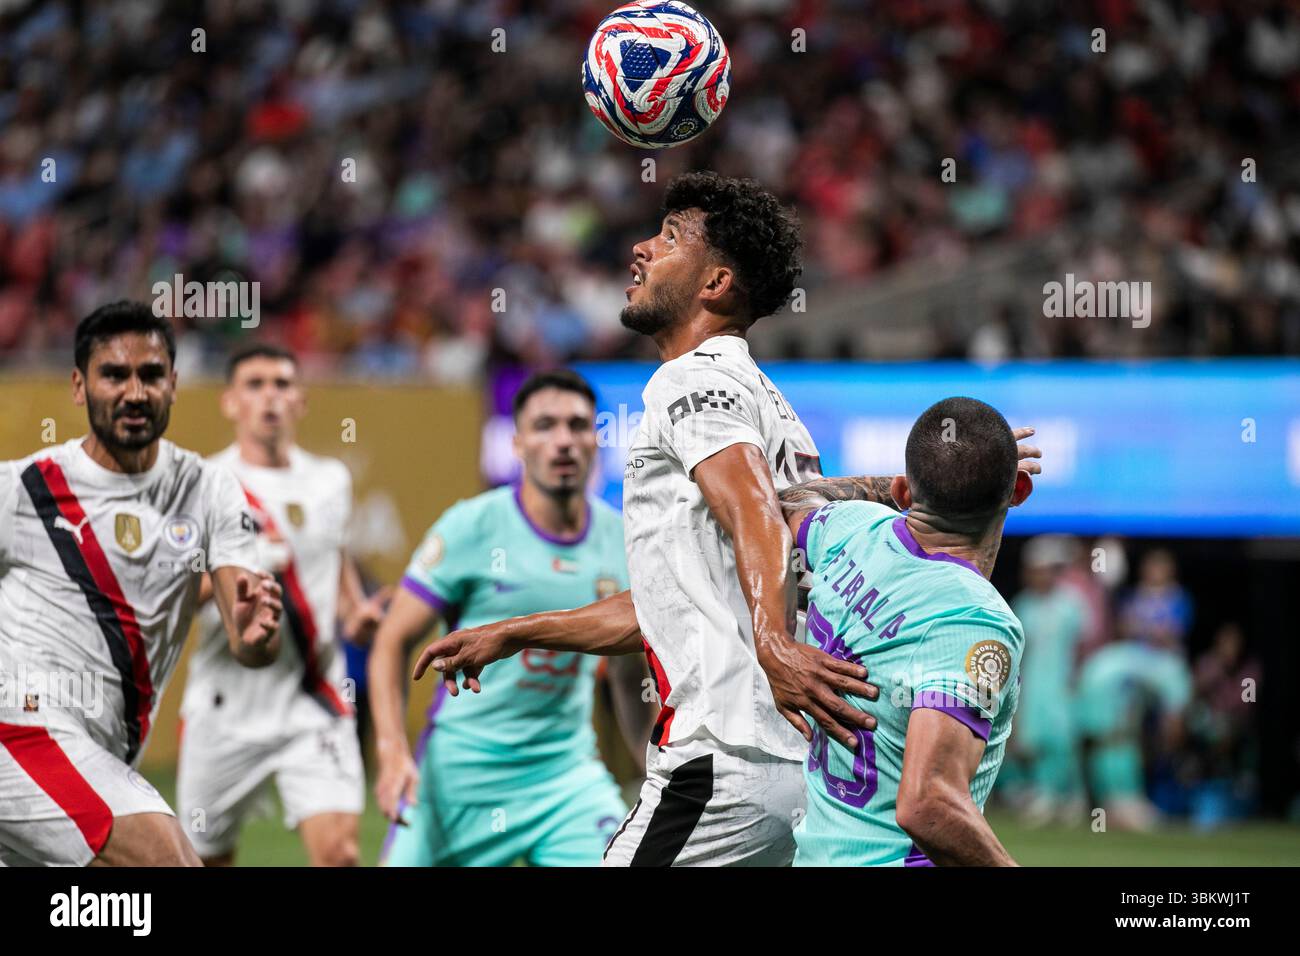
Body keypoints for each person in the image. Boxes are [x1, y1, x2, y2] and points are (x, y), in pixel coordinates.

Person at [415, 172, 1042, 865]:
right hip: (790, 770)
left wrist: (774, 646)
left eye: (670, 236)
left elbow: (755, 514)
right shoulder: (767, 401)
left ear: (715, 283)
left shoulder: (694, 378)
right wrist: (515, 632)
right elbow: (677, 597)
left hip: (725, 757)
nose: (642, 248)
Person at [0, 301, 281, 867]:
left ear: (173, 384)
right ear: (79, 386)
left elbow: (251, 642)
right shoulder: (22, 489)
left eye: (150, 375)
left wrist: (256, 633)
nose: (134, 392)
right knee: (169, 862)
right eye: (114, 375)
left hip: (103, 752)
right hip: (21, 732)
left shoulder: (209, 490)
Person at [370, 369, 653, 866]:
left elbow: (631, 677)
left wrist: (657, 774)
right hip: (461, 780)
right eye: (545, 426)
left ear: (596, 440)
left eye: (577, 425)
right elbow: (392, 641)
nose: (563, 440)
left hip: (566, 781)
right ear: (518, 443)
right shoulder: (472, 527)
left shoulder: (623, 540)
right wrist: (392, 752)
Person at [778, 397, 1032, 865]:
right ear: (1019, 490)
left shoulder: (851, 530)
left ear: (901, 490)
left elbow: (790, 500)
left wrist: (920, 476)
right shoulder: (974, 619)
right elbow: (928, 805)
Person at [178, 344, 388, 866]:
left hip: (312, 696)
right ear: (230, 402)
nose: (270, 396)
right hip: (225, 704)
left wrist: (354, 611)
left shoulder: (331, 480)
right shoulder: (204, 484)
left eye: (282, 384)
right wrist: (238, 570)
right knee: (204, 860)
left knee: (340, 855)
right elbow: (175, 596)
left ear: (301, 400)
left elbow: (335, 558)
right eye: (255, 385)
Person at [1010, 535, 1088, 826]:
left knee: (1064, 743)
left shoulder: (1072, 604)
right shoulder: (1022, 605)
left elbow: (1083, 647)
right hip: (1032, 687)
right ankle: (1044, 795)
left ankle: (1072, 799)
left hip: (1063, 685)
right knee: (1036, 742)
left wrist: (1080, 681)